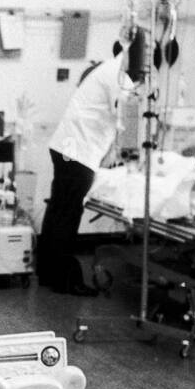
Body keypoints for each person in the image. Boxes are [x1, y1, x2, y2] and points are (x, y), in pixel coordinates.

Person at [39, 46, 142, 295]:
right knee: (68, 213)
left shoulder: (108, 70)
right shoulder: (120, 78)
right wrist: (134, 158)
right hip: (78, 151)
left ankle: (47, 273)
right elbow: (126, 124)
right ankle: (64, 280)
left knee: (58, 210)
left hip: (67, 147)